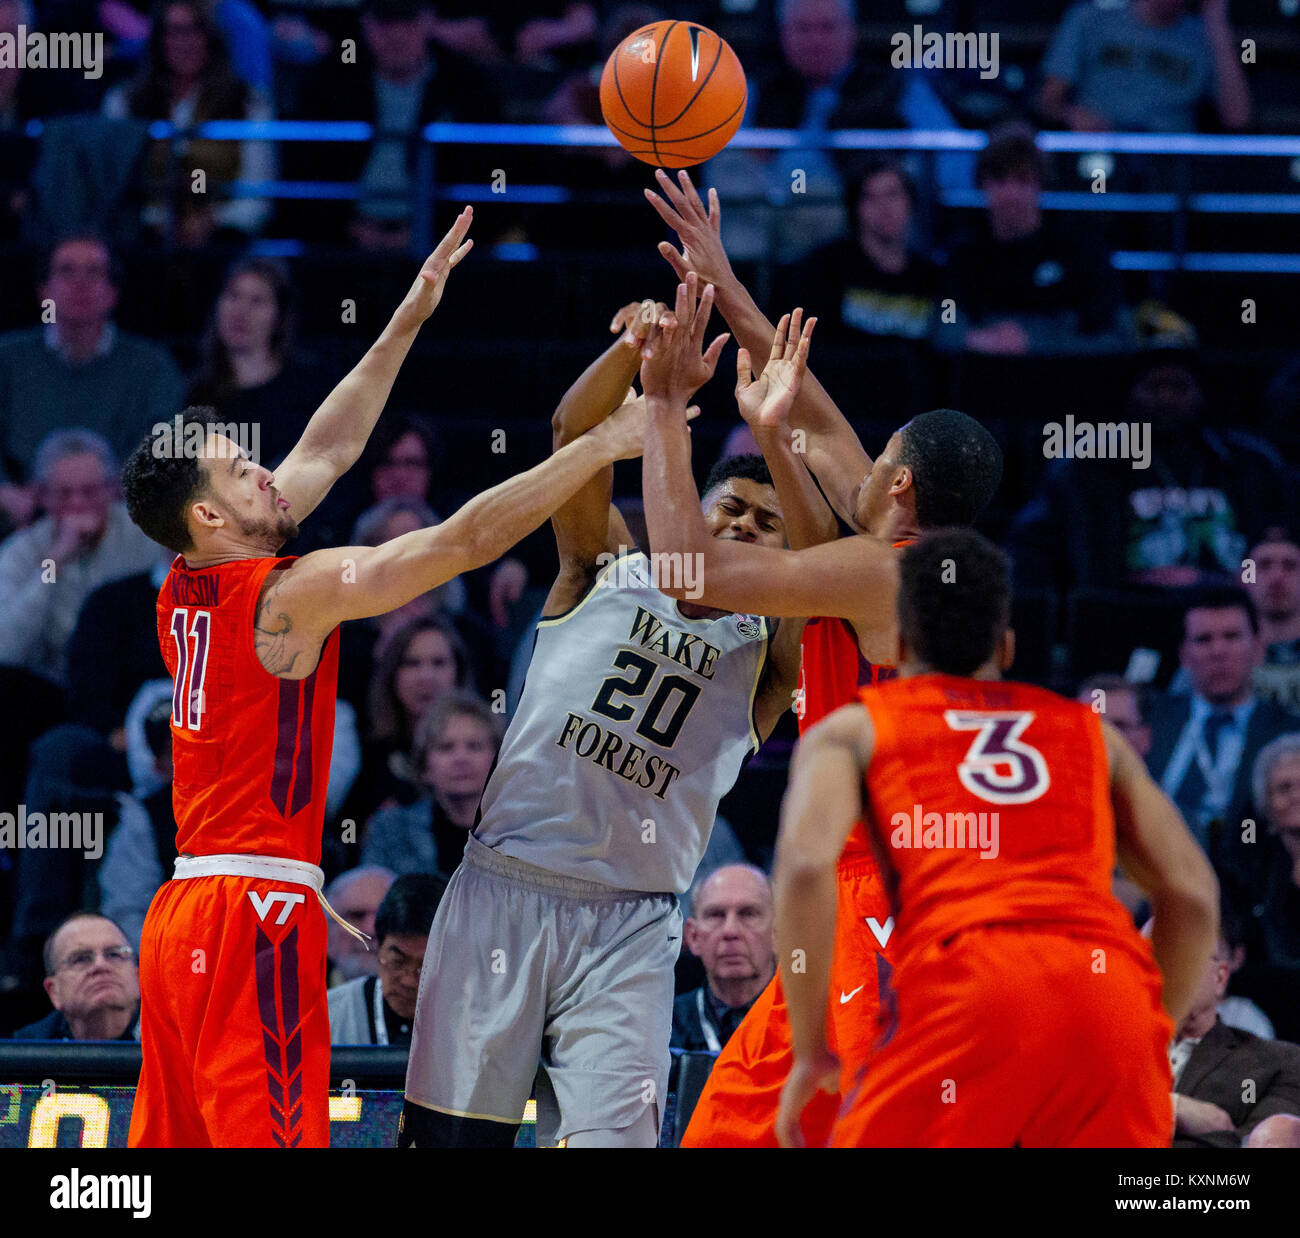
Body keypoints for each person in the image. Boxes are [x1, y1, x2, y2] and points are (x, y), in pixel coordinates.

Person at [117, 209, 657, 1149]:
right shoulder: (286, 594)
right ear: (209, 513)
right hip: (257, 915)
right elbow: (461, 543)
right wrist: (598, 450)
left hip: (178, 920)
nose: (267, 474)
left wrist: (409, 314)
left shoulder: (185, 582)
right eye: (244, 472)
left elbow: (326, 450)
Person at [636, 187, 1001, 1146]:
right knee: (725, 1130)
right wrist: (727, 286)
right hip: (848, 890)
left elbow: (687, 574)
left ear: (902, 486)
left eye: (880, 458)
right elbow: (819, 426)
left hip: (882, 894)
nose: (862, 460)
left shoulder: (887, 570)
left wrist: (668, 414)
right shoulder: (895, 551)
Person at [399, 294, 805, 1150]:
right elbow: (569, 431)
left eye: (766, 528)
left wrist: (772, 432)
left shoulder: (773, 657)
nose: (740, 527)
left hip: (631, 921)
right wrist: (635, 353)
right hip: (503, 887)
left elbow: (816, 542)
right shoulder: (609, 563)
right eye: (728, 506)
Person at [773, 529, 1219, 1146]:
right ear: (1007, 646)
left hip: (970, 981)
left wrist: (810, 1051)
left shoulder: (856, 728)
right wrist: (1146, 1024)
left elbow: (801, 871)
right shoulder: (1093, 735)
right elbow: (1193, 895)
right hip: (1105, 987)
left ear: (898, 643)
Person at [1008, 346, 1298, 600]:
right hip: (1118, 615)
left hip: (1232, 617)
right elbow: (1030, 553)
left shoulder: (1251, 464)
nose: (1167, 398)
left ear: (1201, 394)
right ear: (1131, 392)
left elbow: (1280, 543)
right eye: (1154, 386)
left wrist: (1225, 583)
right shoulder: (1083, 467)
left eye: (1179, 387)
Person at [0, 234, 185, 500]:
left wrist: (97, 498)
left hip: (121, 516)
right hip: (22, 517)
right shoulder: (7, 359)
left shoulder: (153, 367)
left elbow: (165, 451)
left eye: (93, 272)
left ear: (113, 292)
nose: (80, 283)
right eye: (66, 271)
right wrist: (6, 493)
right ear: (43, 291)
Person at [939, 123, 1133, 357]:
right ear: (983, 184)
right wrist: (979, 340)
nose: (1011, 193)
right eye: (1000, 179)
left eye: (1022, 180)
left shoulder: (1081, 246)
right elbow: (944, 321)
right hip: (987, 379)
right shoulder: (964, 252)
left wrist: (1037, 344)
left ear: (1040, 183)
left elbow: (1116, 332)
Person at [101, 0, 275, 246]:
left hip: (223, 239)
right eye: (175, 32)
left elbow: (256, 193)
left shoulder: (248, 102)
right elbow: (113, 186)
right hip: (141, 239)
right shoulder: (123, 102)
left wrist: (213, 221)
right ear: (159, 39)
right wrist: (157, 221)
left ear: (212, 37)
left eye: (195, 30)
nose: (185, 43)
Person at [1144, 588, 1299, 865]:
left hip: (1250, 887)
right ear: (1184, 655)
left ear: (1258, 647)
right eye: (1203, 640)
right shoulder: (1149, 721)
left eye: (1232, 637)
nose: (1218, 651)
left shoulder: (1288, 732)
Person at [0, 430, 161, 684]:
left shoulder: (148, 535)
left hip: (135, 681)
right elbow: (6, 649)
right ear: (44, 496)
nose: (77, 503)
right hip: (55, 683)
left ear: (112, 490)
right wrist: (54, 561)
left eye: (89, 491)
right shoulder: (23, 550)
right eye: (64, 494)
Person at [186, 258, 334, 471]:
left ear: (279, 316)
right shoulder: (195, 394)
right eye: (233, 296)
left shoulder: (308, 391)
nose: (240, 311)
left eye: (257, 301)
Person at [1170, 927, 1300, 1148]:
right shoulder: (1099, 1054)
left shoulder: (1274, 1062)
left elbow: (1254, 1142)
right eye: (1146, 956)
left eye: (1178, 956)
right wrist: (1170, 1108)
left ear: (1220, 978)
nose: (1159, 970)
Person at [1039, 0, 1250, 134]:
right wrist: (1071, 115)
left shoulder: (1204, 36)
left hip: (1171, 167)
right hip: (1099, 154)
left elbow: (1238, 118)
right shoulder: (1090, 17)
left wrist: (1216, 22)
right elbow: (1046, 102)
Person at [362, 690, 502, 878]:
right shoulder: (391, 830)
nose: (461, 758)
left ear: (498, 761)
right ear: (424, 767)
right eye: (446, 747)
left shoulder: (523, 830)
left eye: (474, 746)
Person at [328, 873, 446, 1046]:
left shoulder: (482, 1020)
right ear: (380, 949)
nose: (408, 981)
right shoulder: (327, 1015)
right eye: (397, 962)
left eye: (425, 968)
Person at [671, 865, 776, 1054]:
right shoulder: (661, 1029)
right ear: (693, 937)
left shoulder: (816, 1024)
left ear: (778, 933)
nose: (730, 931)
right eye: (716, 915)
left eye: (748, 914)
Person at [12, 913, 140, 1041]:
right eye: (81, 959)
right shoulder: (29, 1049)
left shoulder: (160, 1032)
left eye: (114, 955)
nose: (100, 965)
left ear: (138, 977)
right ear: (54, 991)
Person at [1246, 529, 1300, 715]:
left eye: (1290, 566)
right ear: (1245, 578)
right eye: (1263, 566)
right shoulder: (1211, 655)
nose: (1276, 578)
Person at [324, 866, 395, 988]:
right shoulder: (292, 998)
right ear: (327, 931)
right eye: (356, 916)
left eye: (384, 918)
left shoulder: (433, 1000)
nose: (371, 930)